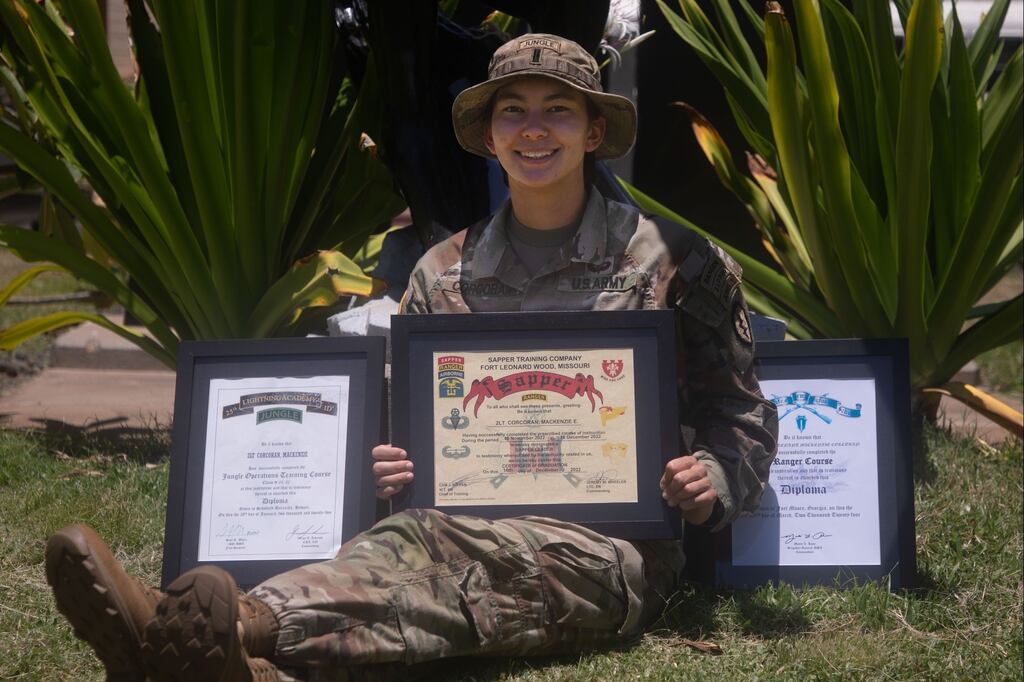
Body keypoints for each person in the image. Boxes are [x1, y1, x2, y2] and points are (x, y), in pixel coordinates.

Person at [44, 34, 777, 681]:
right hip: (449, 522)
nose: (533, 129)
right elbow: (411, 428)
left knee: (464, 565)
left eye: (558, 109)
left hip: (610, 547)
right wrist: (390, 465)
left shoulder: (676, 260)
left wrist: (709, 478)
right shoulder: (440, 273)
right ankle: (242, 663)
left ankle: (225, 623)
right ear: (488, 136)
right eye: (512, 111)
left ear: (594, 131)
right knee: (405, 546)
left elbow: (739, 414)